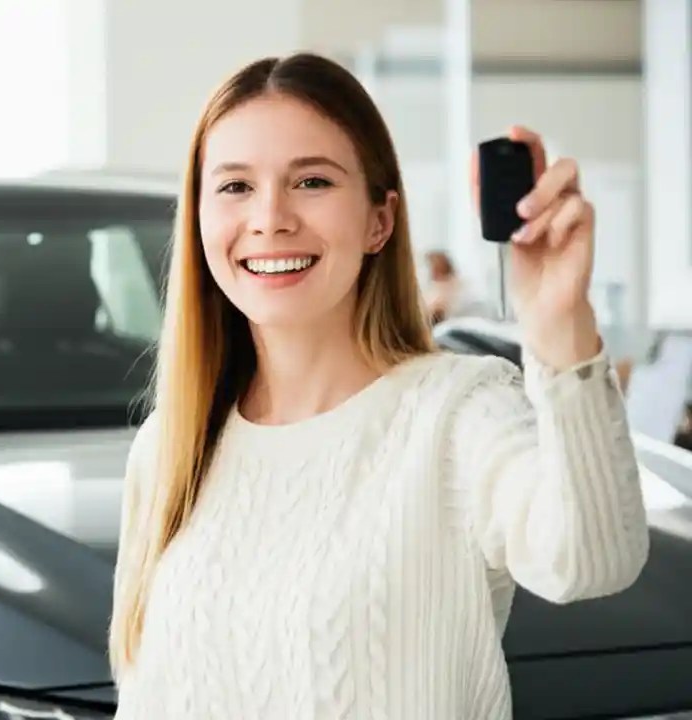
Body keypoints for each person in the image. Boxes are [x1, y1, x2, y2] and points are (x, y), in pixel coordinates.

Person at [109, 52, 648, 719]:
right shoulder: (168, 447)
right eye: (235, 186)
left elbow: (593, 560)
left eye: (311, 182)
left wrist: (560, 326)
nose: (270, 217)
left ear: (379, 221)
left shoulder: (459, 411)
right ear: (198, 218)